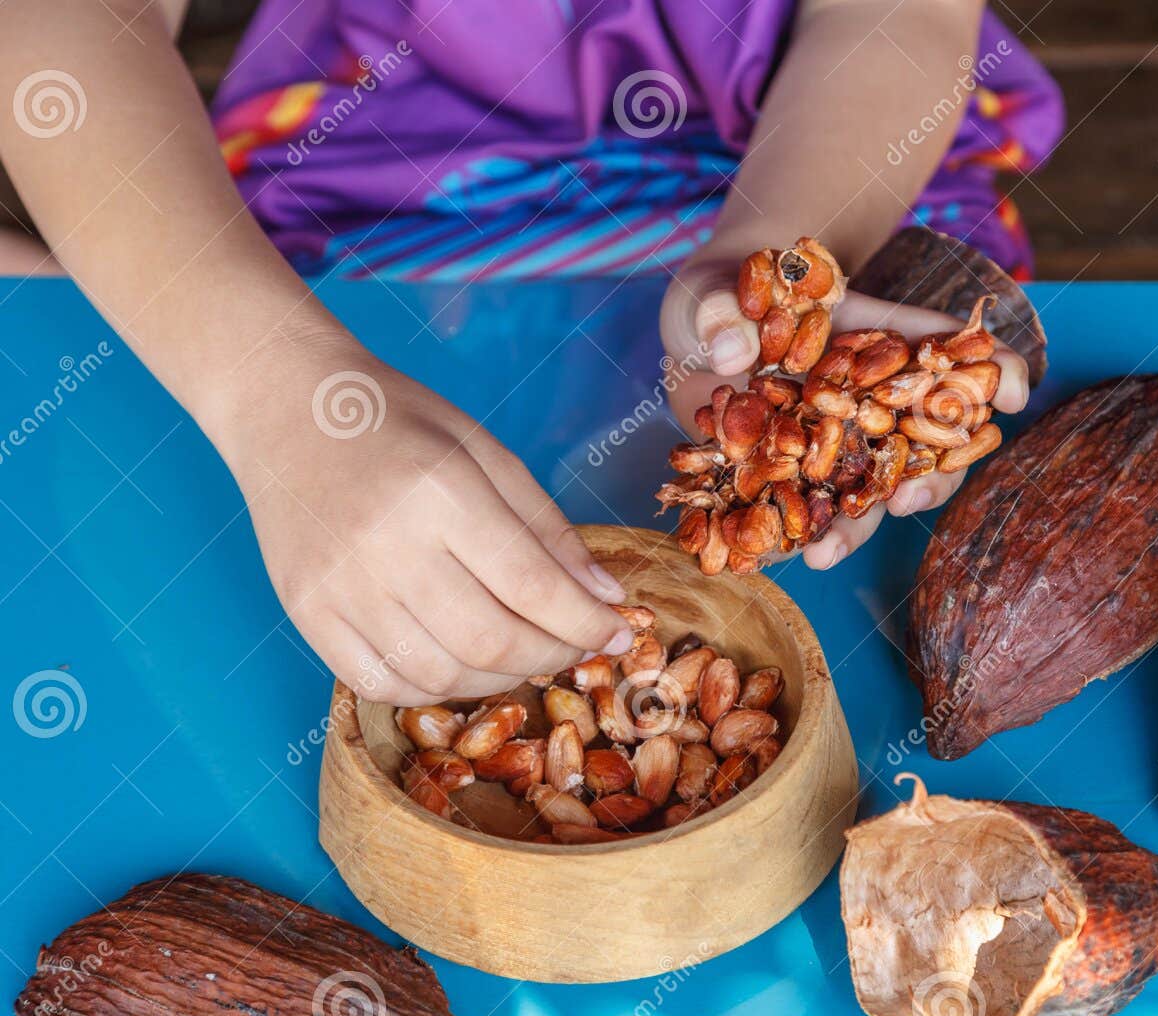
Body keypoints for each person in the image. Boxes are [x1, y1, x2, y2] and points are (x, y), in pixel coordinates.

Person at [0, 0, 1064, 705]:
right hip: (382, 174)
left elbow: (893, 21)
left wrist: (763, 265)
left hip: (815, 167)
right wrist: (270, 385)